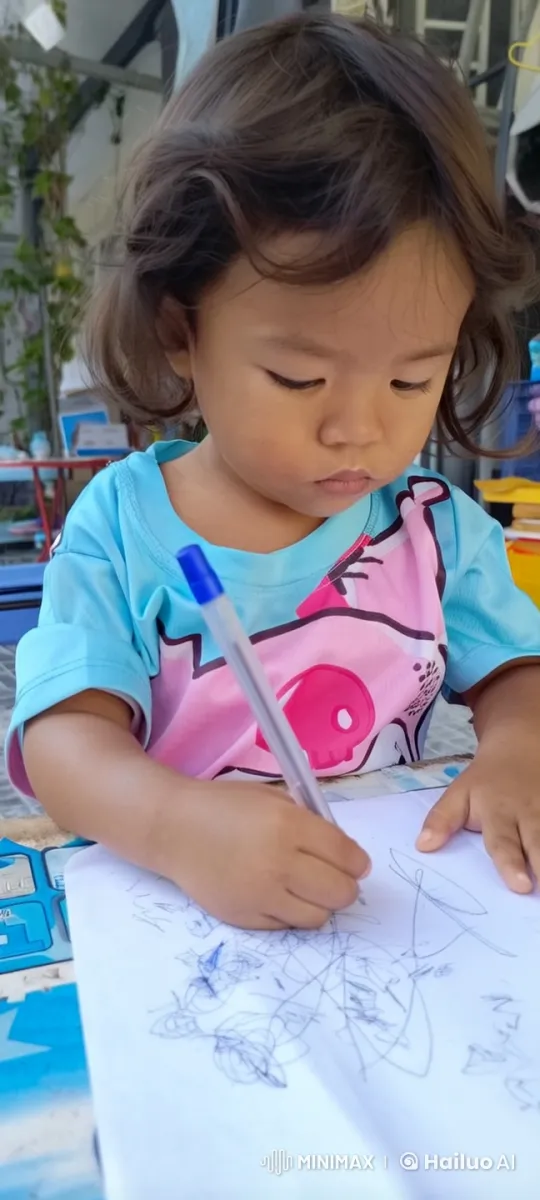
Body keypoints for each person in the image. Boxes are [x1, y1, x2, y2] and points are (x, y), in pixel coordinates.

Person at [8, 15, 540, 929]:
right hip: (185, 934)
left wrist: (519, 748)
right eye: (299, 378)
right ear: (181, 331)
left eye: (412, 379)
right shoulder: (123, 528)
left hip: (391, 921)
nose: (357, 430)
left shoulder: (435, 531)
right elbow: (63, 741)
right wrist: (178, 829)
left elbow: (518, 672)